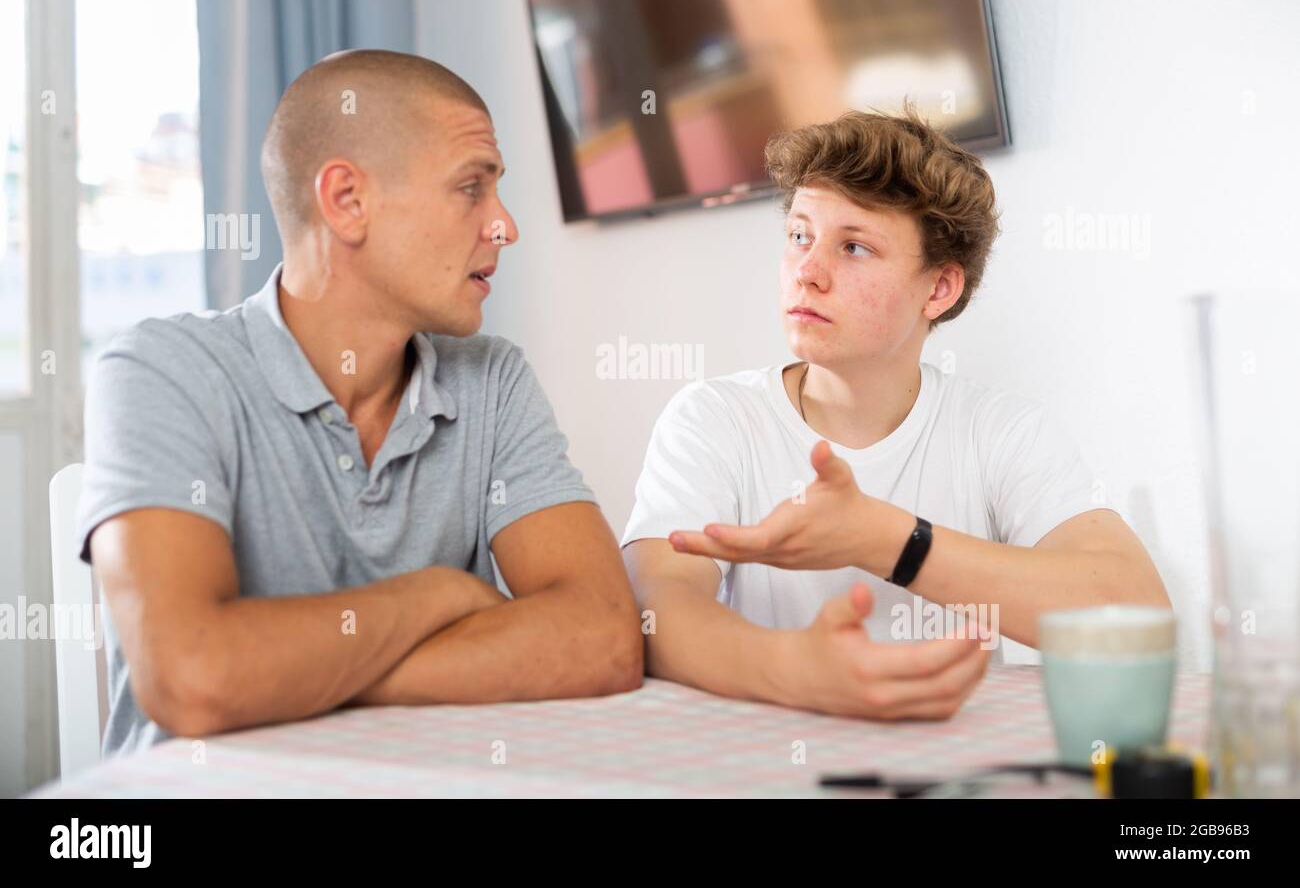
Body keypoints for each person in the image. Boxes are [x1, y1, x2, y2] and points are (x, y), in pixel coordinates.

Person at [79, 50, 642, 754]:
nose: (505, 226)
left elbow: (603, 636)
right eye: (472, 187)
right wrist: (437, 595)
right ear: (346, 201)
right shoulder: (159, 371)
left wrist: (286, 676)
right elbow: (194, 678)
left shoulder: (492, 380)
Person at [621, 104, 1170, 720]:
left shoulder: (1002, 431)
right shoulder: (714, 419)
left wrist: (883, 538)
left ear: (938, 289)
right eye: (800, 235)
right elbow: (652, 610)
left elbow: (1136, 612)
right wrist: (798, 672)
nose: (807, 271)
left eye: (854, 247)